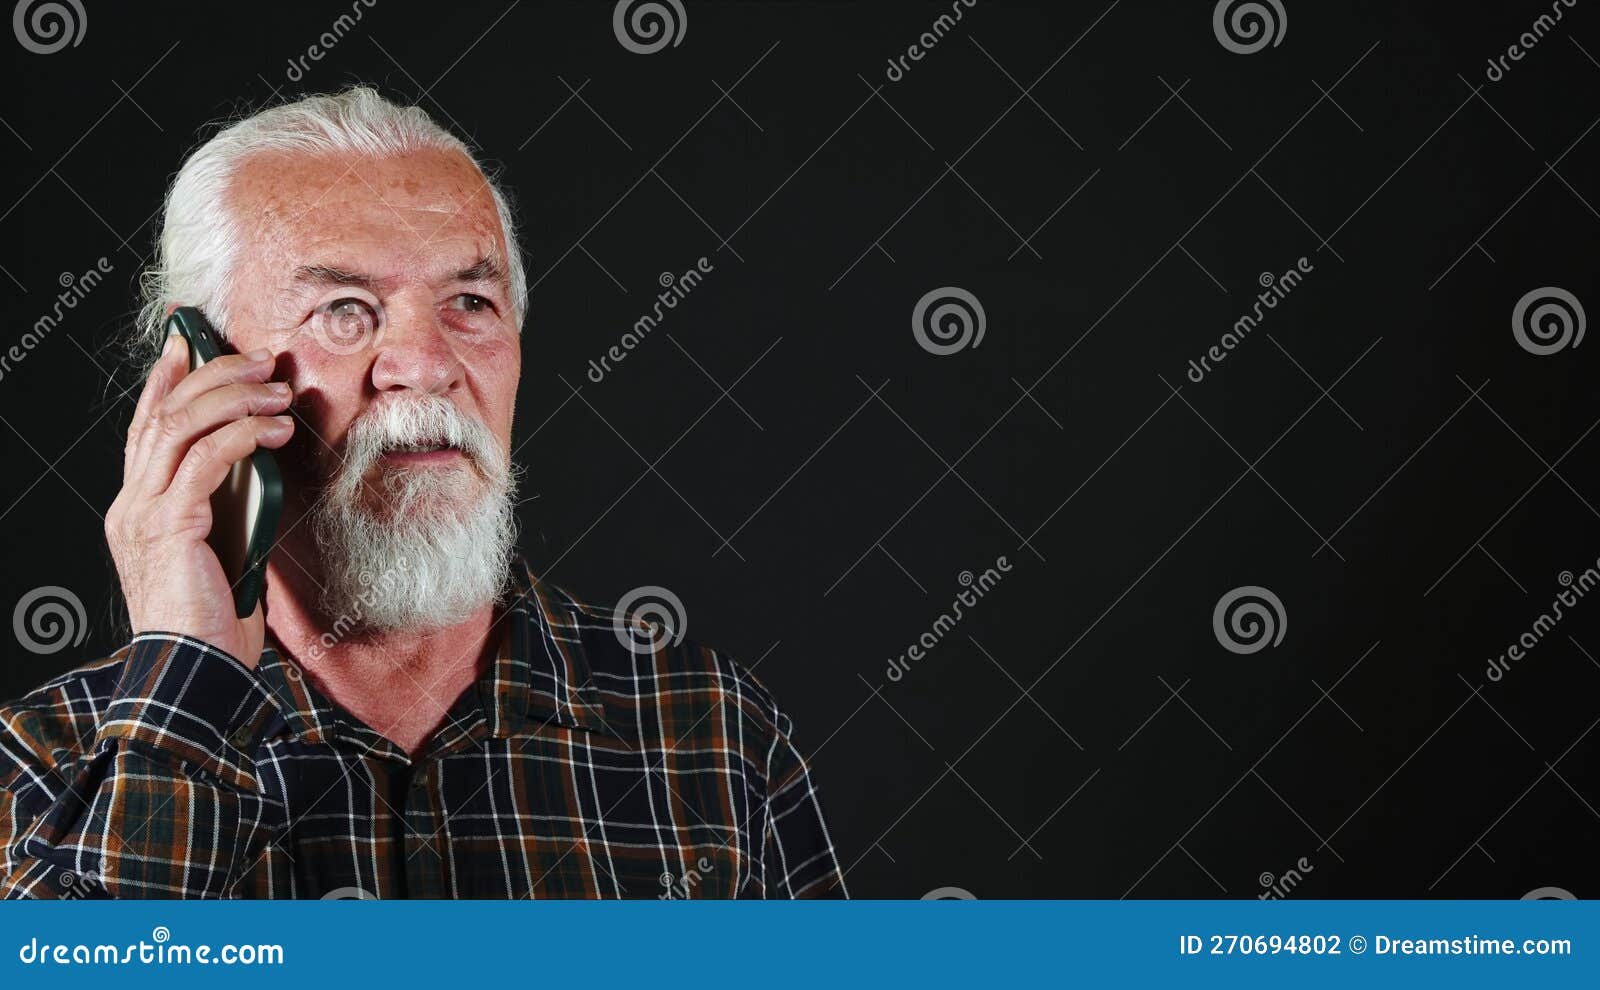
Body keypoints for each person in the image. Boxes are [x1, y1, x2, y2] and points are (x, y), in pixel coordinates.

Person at [0, 87, 845, 899]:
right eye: (344, 309)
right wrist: (189, 681)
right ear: (200, 372)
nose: (429, 366)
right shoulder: (43, 766)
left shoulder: (715, 738)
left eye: (470, 302)